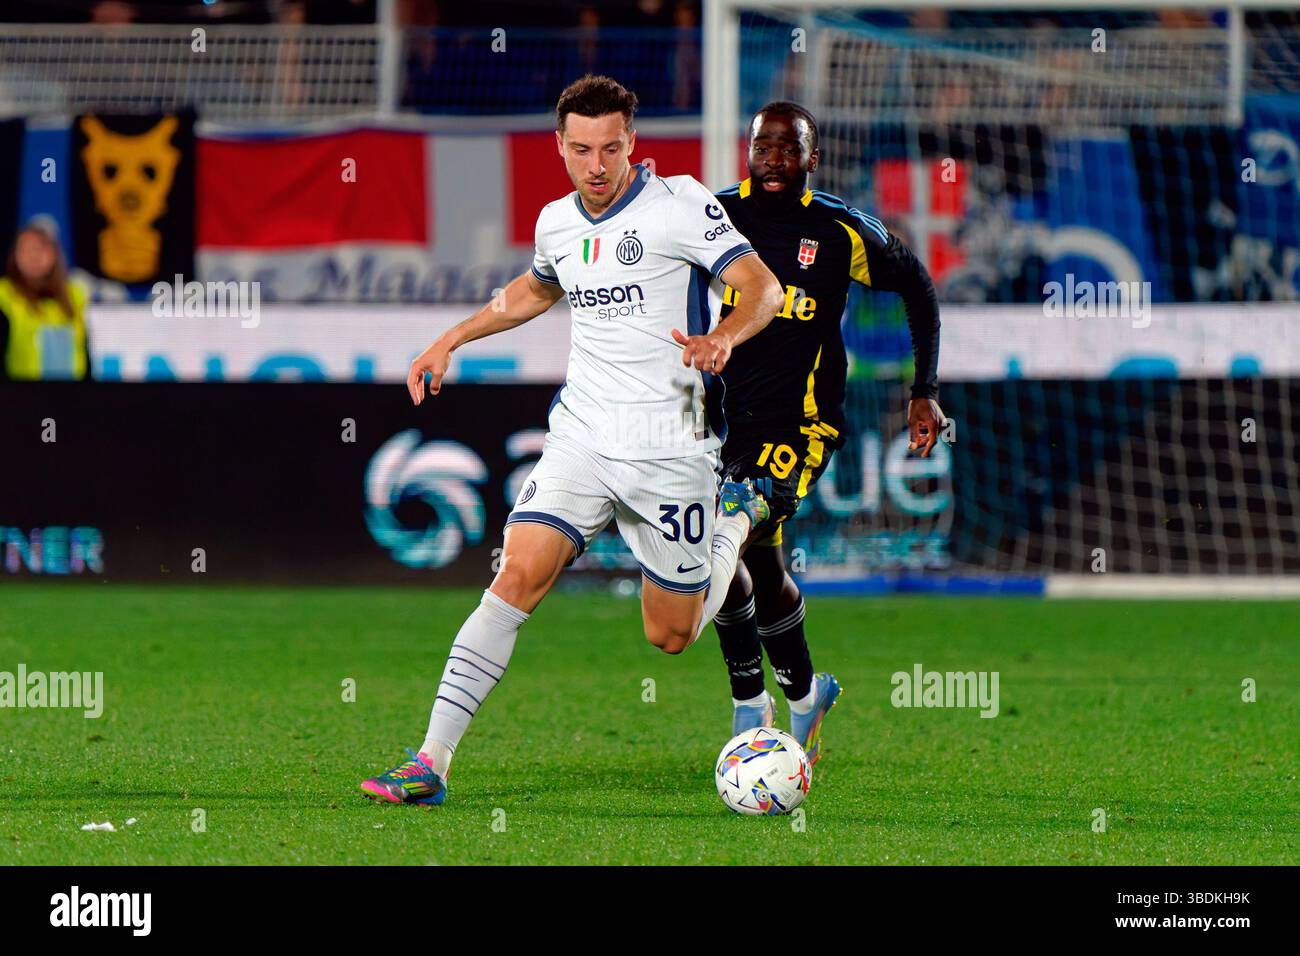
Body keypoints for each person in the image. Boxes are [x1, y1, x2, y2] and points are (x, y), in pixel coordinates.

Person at [359, 74, 784, 807]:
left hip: (669, 447)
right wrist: (449, 339)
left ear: (632, 144)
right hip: (582, 436)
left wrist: (722, 335)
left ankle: (736, 521)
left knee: (672, 636)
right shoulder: (556, 221)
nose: (596, 164)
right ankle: (431, 762)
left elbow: (764, 287)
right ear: (560, 145)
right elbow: (535, 288)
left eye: (610, 148)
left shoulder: (679, 205)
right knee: (514, 577)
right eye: (581, 149)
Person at [711, 102, 943, 762]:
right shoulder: (717, 217)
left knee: (730, 533)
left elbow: (918, 285)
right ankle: (808, 697)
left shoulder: (839, 230)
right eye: (764, 149)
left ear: (813, 158)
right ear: (747, 153)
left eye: (789, 150)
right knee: (751, 563)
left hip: (802, 423)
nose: (775, 162)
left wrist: (923, 389)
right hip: (722, 423)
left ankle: (749, 705)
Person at [0, 216, 92, 382]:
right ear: (15, 255)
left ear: (55, 253)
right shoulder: (5, 292)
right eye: (26, 249)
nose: (33, 255)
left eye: (40, 247)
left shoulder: (77, 294)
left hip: (74, 395)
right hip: (23, 394)